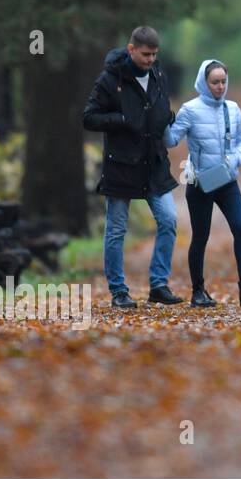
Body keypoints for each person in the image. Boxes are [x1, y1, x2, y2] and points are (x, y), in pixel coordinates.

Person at [82, 26, 182, 308]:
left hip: (154, 163)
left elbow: (161, 109)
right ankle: (118, 291)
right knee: (116, 229)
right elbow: (89, 118)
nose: (150, 60)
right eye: (146, 54)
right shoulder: (109, 80)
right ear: (131, 49)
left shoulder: (158, 74)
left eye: (154, 55)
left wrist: (168, 119)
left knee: (169, 221)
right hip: (122, 165)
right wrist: (122, 119)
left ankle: (159, 284)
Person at [164, 60, 241, 307]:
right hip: (200, 182)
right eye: (215, 82)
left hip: (227, 179)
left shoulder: (232, 108)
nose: (220, 86)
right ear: (204, 82)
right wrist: (163, 119)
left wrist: (235, 160)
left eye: (223, 81)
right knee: (201, 236)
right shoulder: (190, 110)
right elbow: (171, 140)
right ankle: (198, 291)